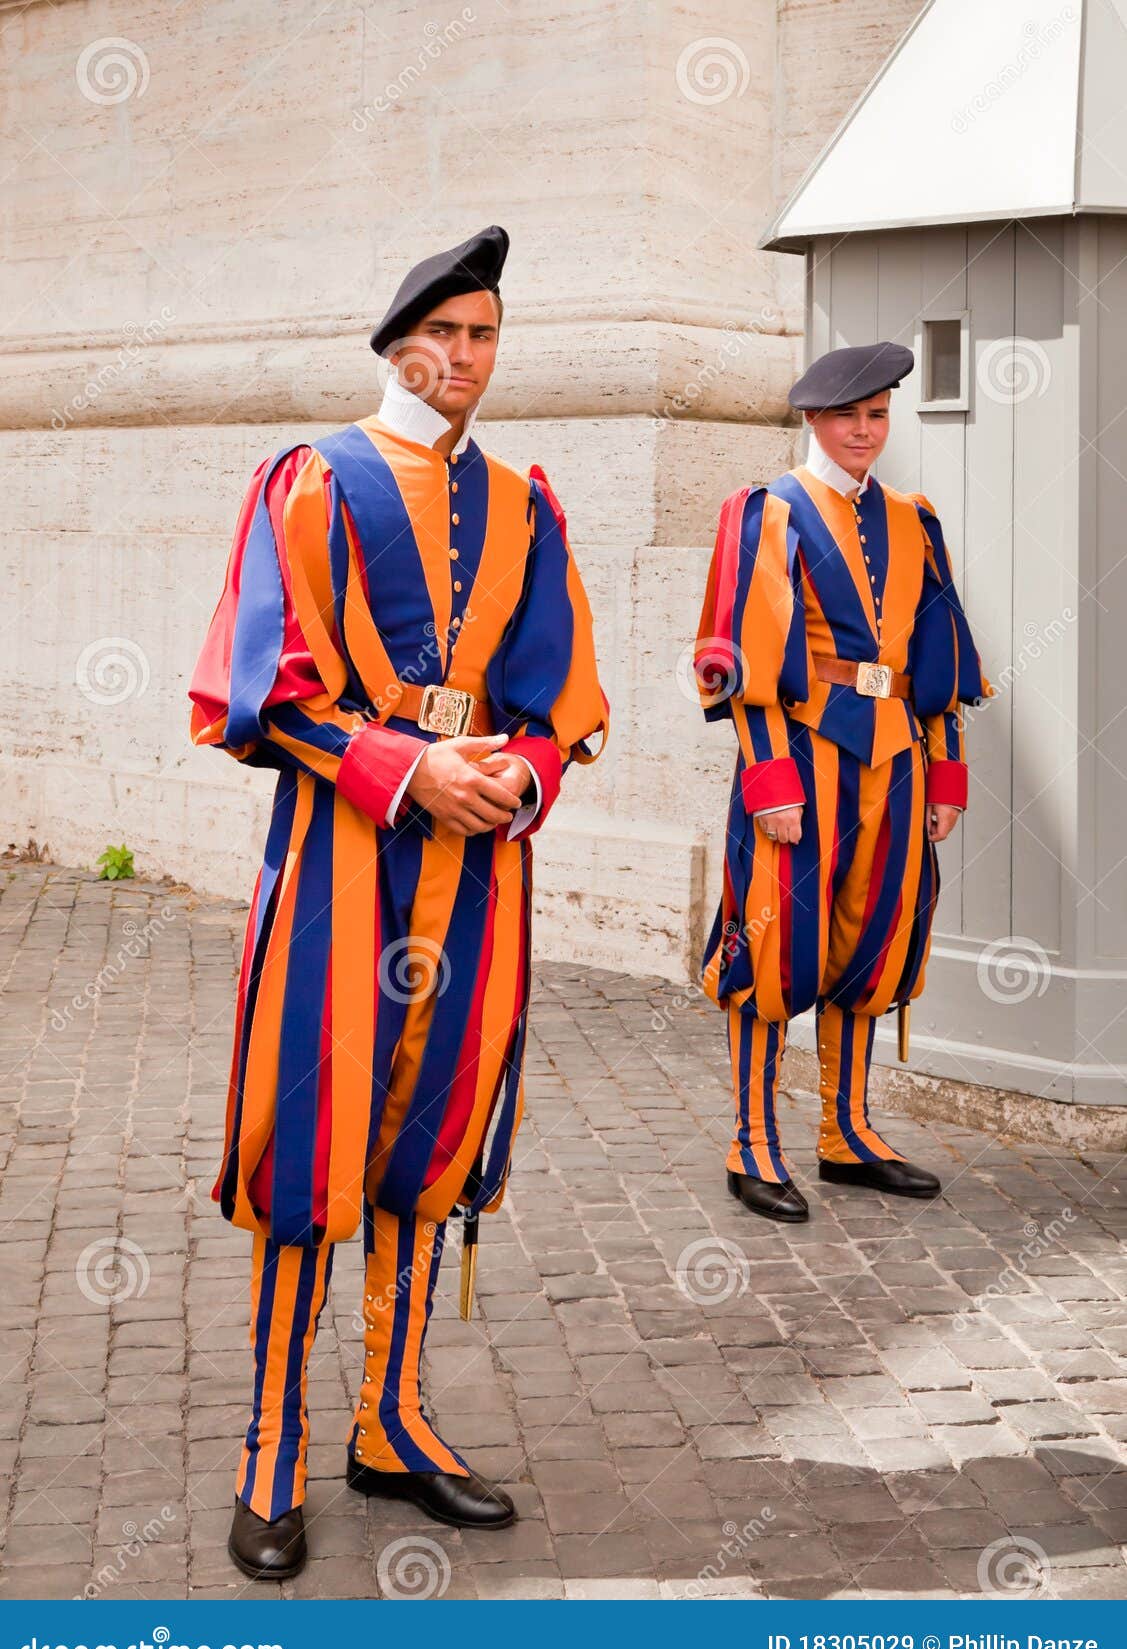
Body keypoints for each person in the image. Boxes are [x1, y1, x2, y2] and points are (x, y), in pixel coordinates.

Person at [188, 225, 609, 1578]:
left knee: (429, 1145)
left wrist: (518, 774)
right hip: (336, 864)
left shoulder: (525, 503)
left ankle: (391, 1417)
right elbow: (266, 691)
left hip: (478, 863)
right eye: (446, 335)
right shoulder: (308, 482)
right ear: (396, 345)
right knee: (311, 1138)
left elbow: (557, 699)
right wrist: (405, 764)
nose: (466, 358)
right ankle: (269, 1441)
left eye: (486, 336)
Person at [695, 341, 992, 1224]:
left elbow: (938, 662)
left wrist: (946, 776)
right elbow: (737, 663)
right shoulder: (768, 512)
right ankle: (750, 1142)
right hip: (802, 757)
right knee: (773, 946)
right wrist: (769, 782)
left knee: (871, 943)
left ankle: (846, 1133)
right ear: (811, 419)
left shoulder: (913, 519)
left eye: (876, 414)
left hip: (896, 760)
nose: (864, 431)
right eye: (845, 416)